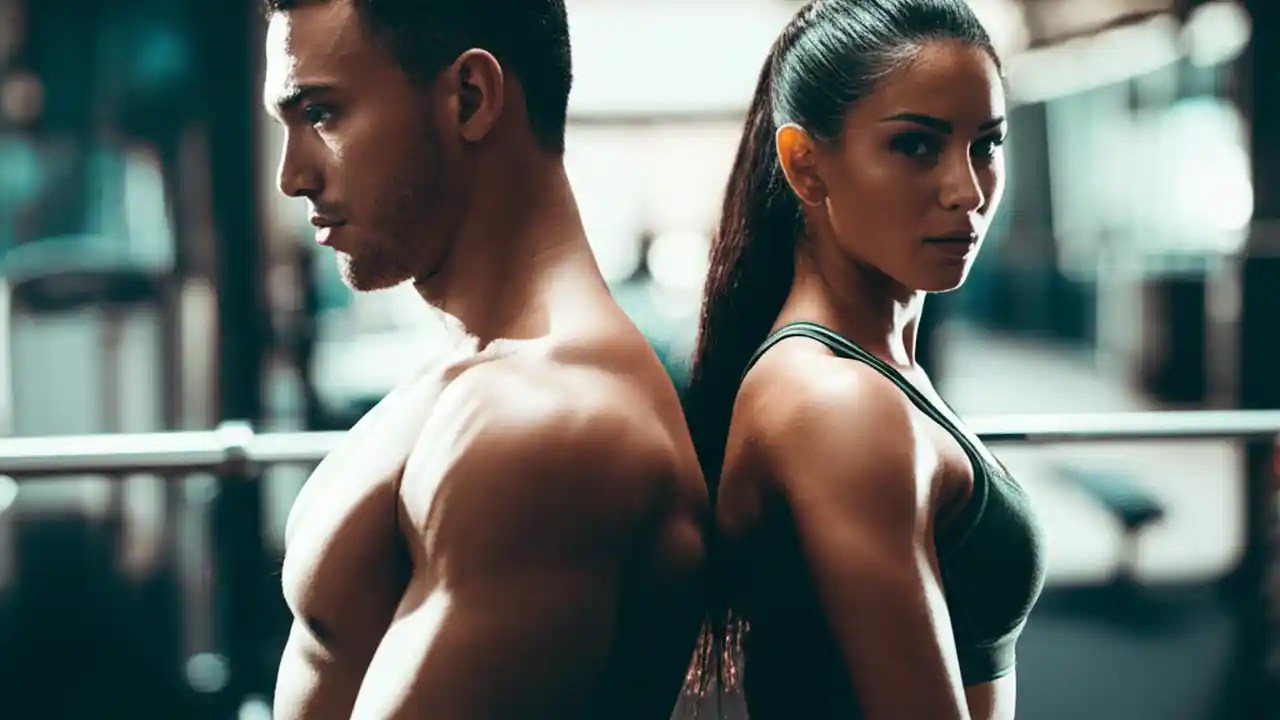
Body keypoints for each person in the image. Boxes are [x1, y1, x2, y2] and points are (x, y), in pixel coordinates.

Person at [260, 1, 708, 717]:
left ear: (470, 98)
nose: (293, 176)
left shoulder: (544, 423)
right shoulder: (474, 378)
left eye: (322, 114)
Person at [682, 1, 1047, 718]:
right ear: (806, 166)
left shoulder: (872, 372)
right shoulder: (837, 402)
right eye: (917, 146)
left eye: (986, 144)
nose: (967, 192)